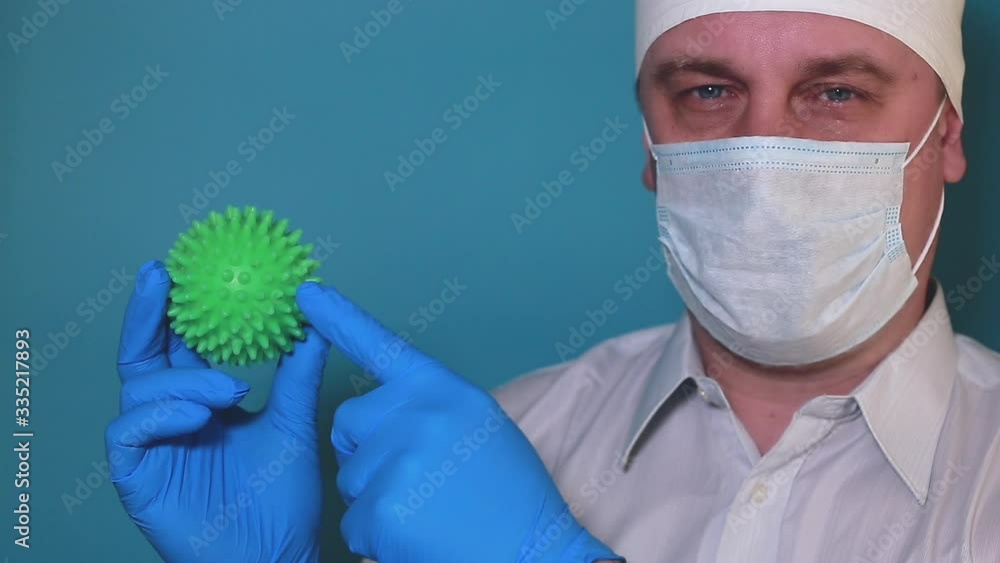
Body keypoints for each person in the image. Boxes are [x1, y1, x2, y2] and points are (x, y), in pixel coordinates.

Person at [106, 1, 1000, 562]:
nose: (760, 159)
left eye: (836, 93)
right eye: (708, 93)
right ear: (649, 147)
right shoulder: (487, 455)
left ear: (947, 134)